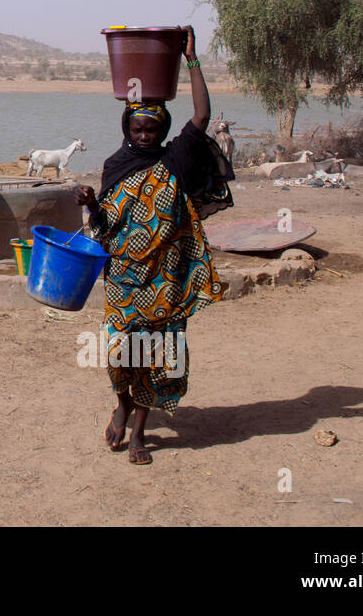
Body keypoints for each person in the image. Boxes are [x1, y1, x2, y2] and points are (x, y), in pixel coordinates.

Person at [73, 26, 235, 466]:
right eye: (138, 129)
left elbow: (201, 115)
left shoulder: (176, 159)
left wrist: (191, 59)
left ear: (161, 131)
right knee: (119, 352)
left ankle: (140, 432)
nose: (145, 136)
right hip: (124, 278)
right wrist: (91, 204)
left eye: (151, 130)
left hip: (165, 280)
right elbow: (106, 225)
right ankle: (122, 404)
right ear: (128, 128)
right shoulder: (115, 165)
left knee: (155, 354)